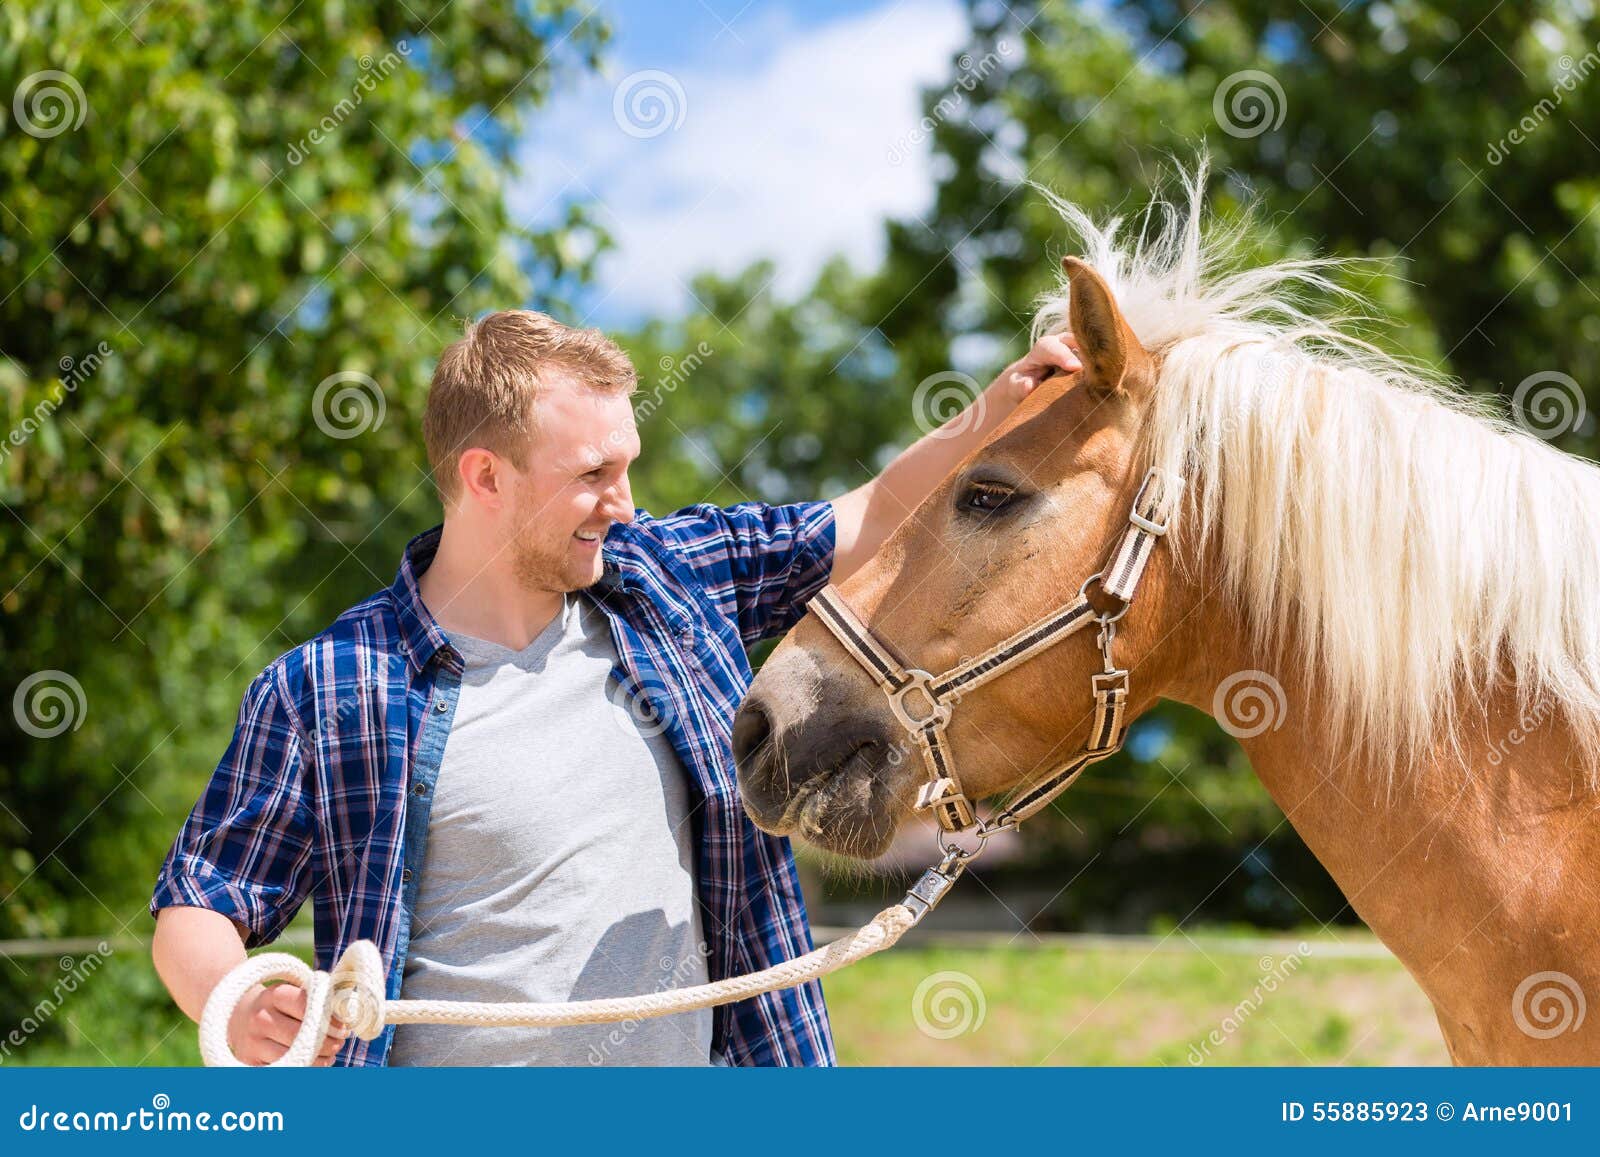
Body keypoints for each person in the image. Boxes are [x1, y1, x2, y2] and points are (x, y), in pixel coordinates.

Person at [149, 309, 1079, 1066]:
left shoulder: (671, 578)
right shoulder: (331, 688)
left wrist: (1001, 404)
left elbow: (874, 513)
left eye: (626, 464)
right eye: (594, 474)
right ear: (487, 478)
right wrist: (231, 1002)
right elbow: (199, 900)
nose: (626, 502)